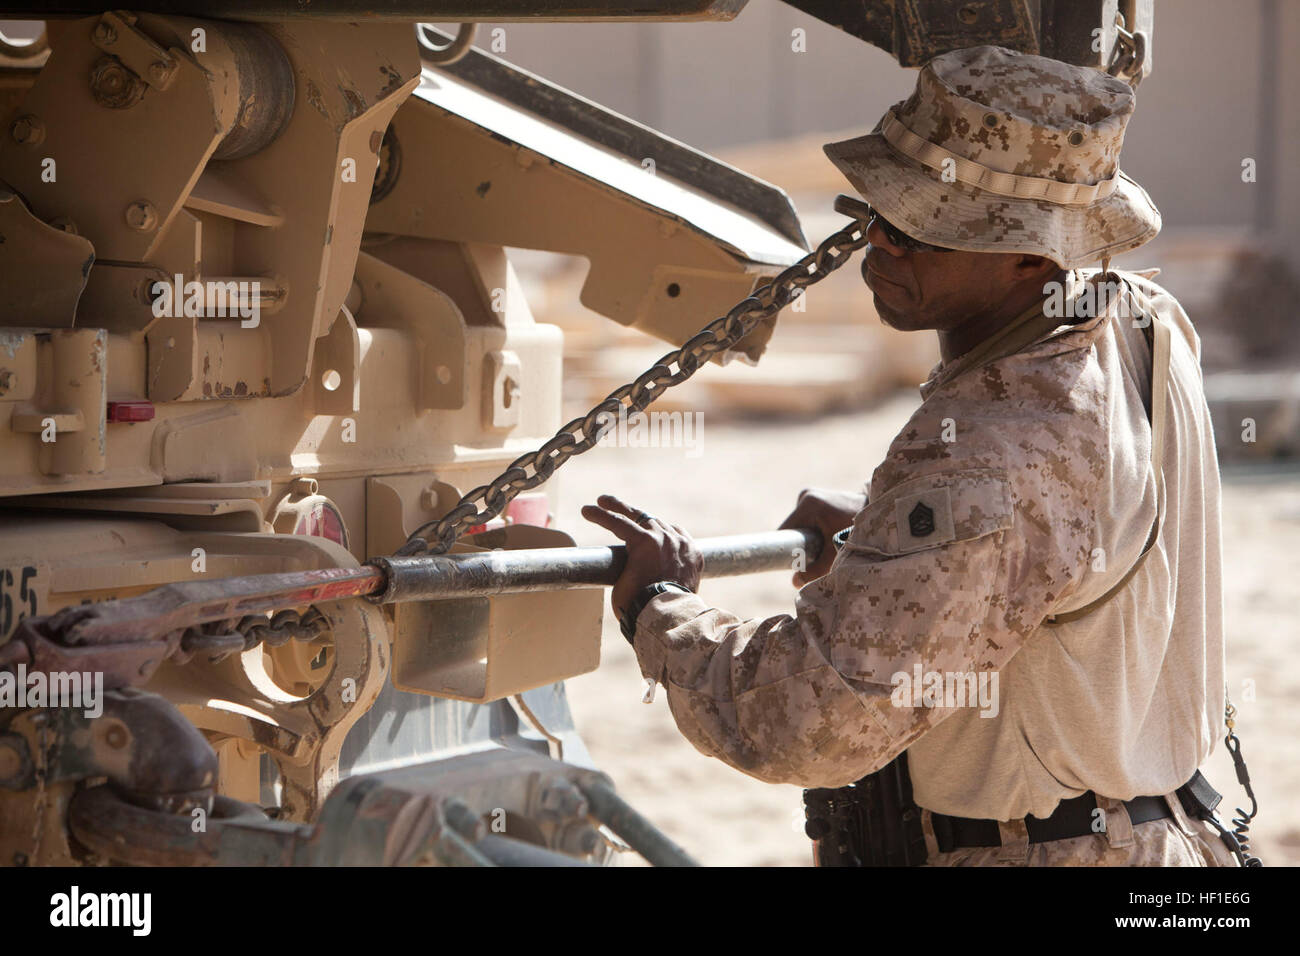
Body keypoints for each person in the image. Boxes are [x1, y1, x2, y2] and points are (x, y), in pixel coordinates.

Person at [582, 45, 1239, 866]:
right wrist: (897, 537)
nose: (880, 243)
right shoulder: (1142, 321)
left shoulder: (988, 454)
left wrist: (660, 604)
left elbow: (808, 721)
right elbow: (1080, 535)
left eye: (921, 225)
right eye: (878, 210)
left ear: (1035, 252)